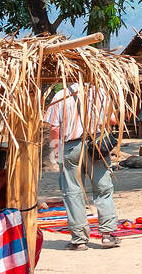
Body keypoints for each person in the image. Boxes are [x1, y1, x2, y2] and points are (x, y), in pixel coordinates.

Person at [45, 81, 119, 250]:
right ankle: (107, 236)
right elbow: (113, 120)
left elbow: (55, 128)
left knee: (72, 192)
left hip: (71, 147)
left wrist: (56, 150)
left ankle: (79, 240)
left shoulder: (60, 96)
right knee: (103, 190)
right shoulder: (100, 93)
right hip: (97, 146)